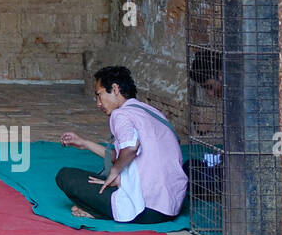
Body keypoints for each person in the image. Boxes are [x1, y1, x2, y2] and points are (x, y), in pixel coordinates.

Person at [56, 65, 187, 223]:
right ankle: (98, 207)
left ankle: (98, 211)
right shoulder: (149, 111)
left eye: (100, 95)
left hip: (145, 208)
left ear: (115, 88)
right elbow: (122, 155)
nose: (98, 103)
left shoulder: (120, 114)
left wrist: (114, 174)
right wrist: (84, 143)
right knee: (99, 178)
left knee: (66, 176)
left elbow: (130, 149)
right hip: (170, 206)